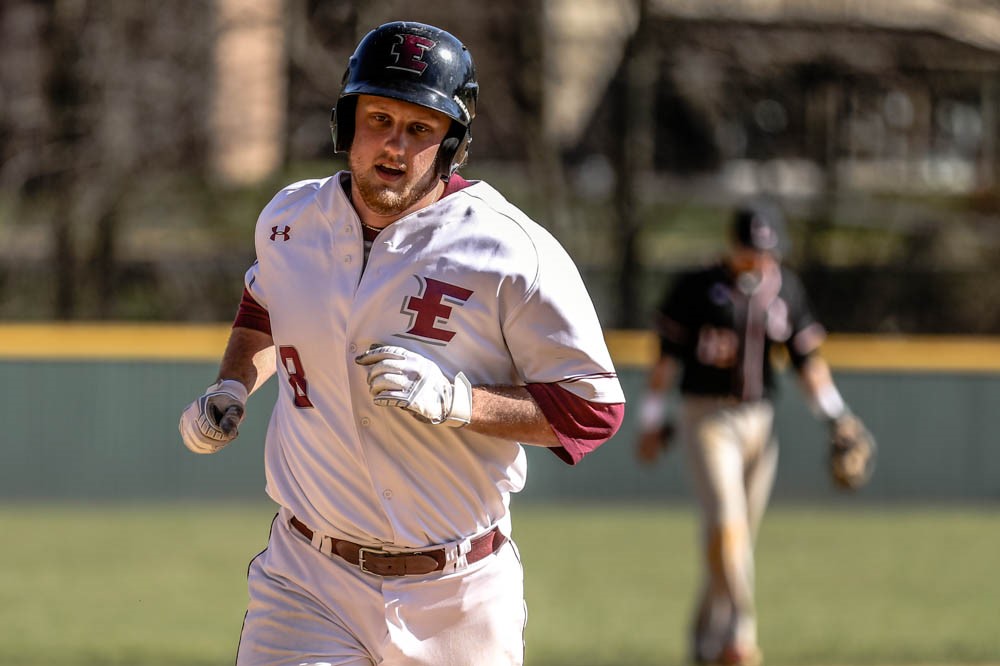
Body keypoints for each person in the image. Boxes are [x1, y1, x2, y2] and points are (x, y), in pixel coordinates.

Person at [178, 20, 625, 666]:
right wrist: (233, 383)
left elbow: (593, 411)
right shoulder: (288, 220)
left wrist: (461, 402)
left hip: (457, 591)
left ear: (454, 145)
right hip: (308, 577)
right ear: (345, 122)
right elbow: (264, 301)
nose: (393, 144)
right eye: (378, 117)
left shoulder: (509, 249)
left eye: (419, 129)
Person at [635, 203, 870, 666]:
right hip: (707, 418)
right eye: (751, 250)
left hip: (760, 423)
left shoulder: (785, 289)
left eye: (766, 251)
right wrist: (651, 421)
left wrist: (837, 417)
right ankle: (741, 639)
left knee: (734, 543)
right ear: (733, 245)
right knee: (728, 527)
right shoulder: (698, 286)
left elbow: (807, 362)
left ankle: (704, 645)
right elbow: (665, 361)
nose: (759, 259)